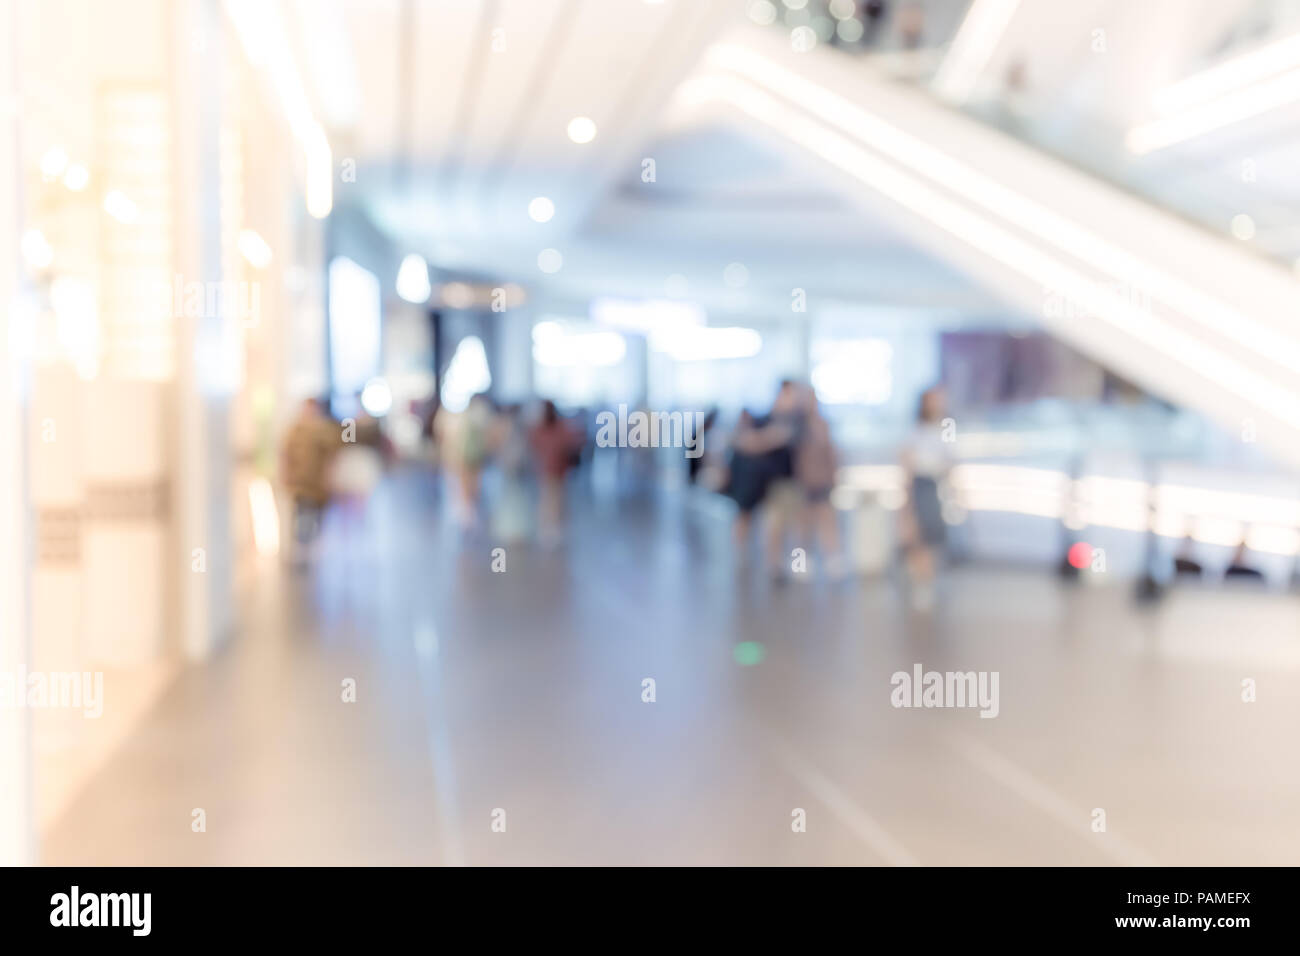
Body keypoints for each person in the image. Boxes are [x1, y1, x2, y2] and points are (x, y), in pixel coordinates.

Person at [900, 385, 951, 610]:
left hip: (935, 485)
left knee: (932, 538)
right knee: (919, 537)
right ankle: (921, 582)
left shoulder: (944, 430)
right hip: (921, 485)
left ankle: (926, 580)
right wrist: (907, 498)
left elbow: (949, 461)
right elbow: (908, 464)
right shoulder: (916, 431)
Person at [280, 398, 338, 564]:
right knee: (302, 518)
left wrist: (328, 479)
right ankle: (302, 552)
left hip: (318, 485)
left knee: (318, 519)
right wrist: (286, 477)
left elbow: (332, 456)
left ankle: (316, 550)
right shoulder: (295, 431)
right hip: (301, 485)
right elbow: (286, 456)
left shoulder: (324, 431)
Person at [795, 392, 845, 581]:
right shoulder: (797, 426)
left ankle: (833, 560)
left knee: (827, 520)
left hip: (821, 480)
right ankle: (802, 562)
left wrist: (833, 474)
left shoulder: (822, 425)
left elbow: (831, 452)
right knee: (803, 524)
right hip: (802, 482)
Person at [529, 400, 583, 547]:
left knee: (553, 500)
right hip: (549, 470)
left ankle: (552, 529)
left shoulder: (554, 428)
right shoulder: (545, 428)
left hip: (556, 470)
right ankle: (549, 529)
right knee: (550, 500)